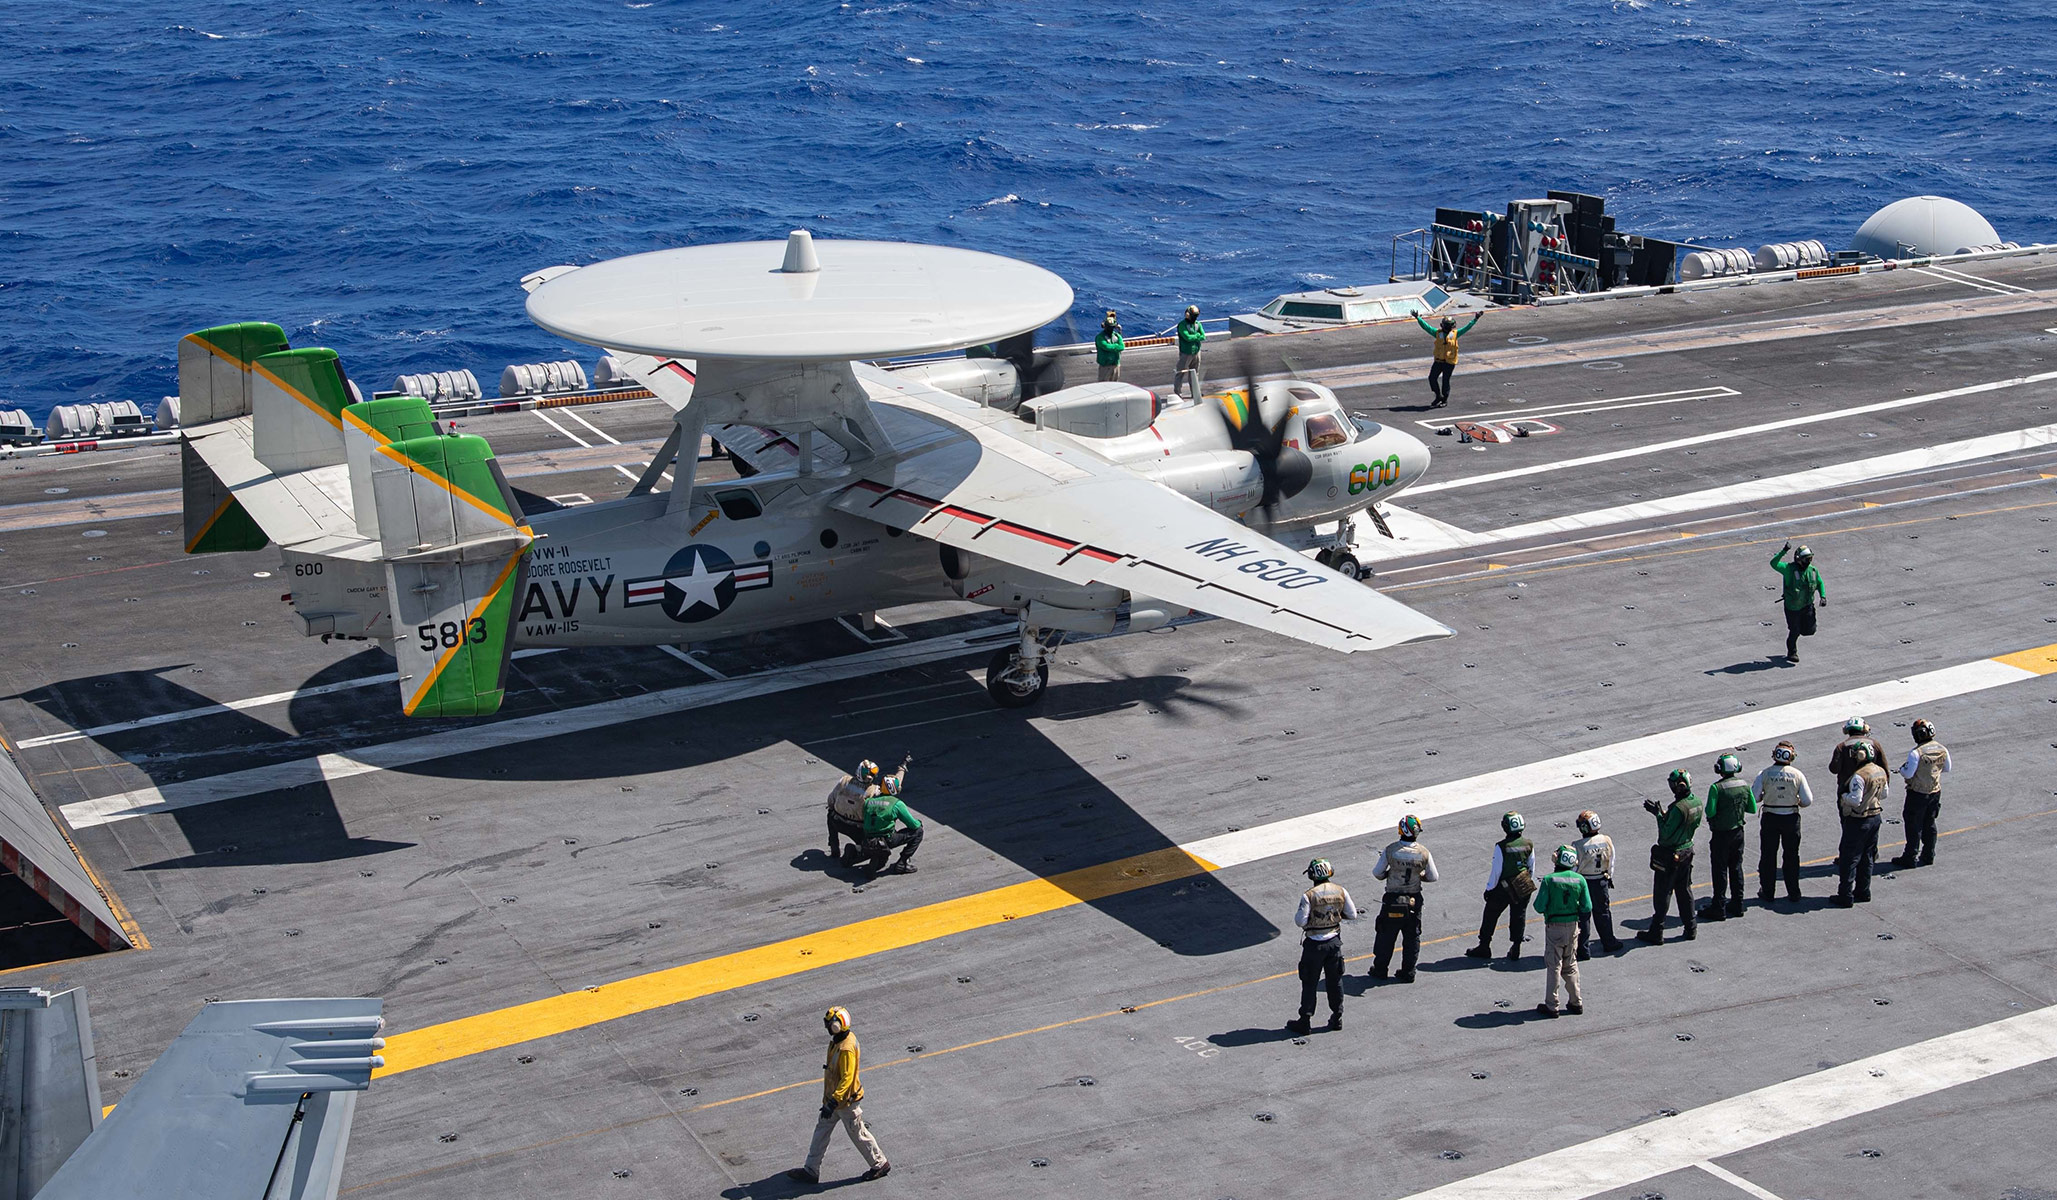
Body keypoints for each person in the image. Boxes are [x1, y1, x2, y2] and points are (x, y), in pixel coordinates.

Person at [787, 1006, 890, 1184]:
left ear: (837, 1025)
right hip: (834, 1100)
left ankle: (880, 1164)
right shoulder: (838, 1041)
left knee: (858, 1134)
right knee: (821, 1131)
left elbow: (847, 1080)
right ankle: (811, 1170)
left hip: (845, 1103)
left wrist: (833, 1102)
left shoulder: (846, 1048)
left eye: (829, 1024)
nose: (827, 1027)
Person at [1288, 858, 1358, 1034]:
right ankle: (1337, 1017)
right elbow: (1352, 914)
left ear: (1312, 875)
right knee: (1335, 981)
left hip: (1314, 946)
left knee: (1309, 983)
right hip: (1334, 943)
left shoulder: (1309, 895)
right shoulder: (1341, 891)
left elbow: (1300, 921)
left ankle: (1305, 1020)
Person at [1636, 769, 1703, 945]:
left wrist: (1658, 814)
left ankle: (1656, 932)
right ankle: (1691, 928)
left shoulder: (1677, 808)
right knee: (1685, 890)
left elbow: (1666, 834)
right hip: (1687, 851)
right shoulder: (1696, 802)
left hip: (1671, 855)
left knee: (1662, 893)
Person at [1369, 815, 1438, 983]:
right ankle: (1408, 972)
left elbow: (1377, 873)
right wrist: (1419, 876)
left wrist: (1388, 875)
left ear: (1400, 830)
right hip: (1413, 900)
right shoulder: (1423, 852)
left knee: (1386, 936)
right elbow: (1433, 876)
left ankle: (1380, 969)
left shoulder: (1391, 850)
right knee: (1412, 937)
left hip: (1393, 899)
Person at [1464, 812, 1535, 961]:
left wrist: (1489, 889)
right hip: (1522, 886)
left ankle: (1484, 945)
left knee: (1490, 914)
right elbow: (1531, 867)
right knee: (1518, 916)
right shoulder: (1529, 844)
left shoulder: (1501, 846)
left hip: (1503, 888)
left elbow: (1496, 871)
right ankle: (1516, 947)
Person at [1533, 845, 1592, 1018]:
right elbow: (1587, 906)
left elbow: (1538, 906)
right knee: (1571, 964)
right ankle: (1576, 1002)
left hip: (1554, 928)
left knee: (1554, 965)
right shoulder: (1580, 880)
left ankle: (1552, 1005)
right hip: (1572, 926)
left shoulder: (1549, 880)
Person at [1752, 741, 1814, 903]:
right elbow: (1807, 800)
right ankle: (1794, 892)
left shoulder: (1764, 773)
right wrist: (1796, 802)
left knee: (1768, 856)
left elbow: (1755, 797)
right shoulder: (1797, 774)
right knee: (1792, 856)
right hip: (1790, 818)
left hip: (1770, 817)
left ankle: (1768, 891)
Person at [1698, 753, 1757, 922]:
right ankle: (1738, 904)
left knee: (1720, 870)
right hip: (1738, 832)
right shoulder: (1744, 785)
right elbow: (1752, 808)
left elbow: (1710, 811)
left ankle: (1719, 907)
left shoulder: (1716, 788)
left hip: (1721, 835)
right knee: (1736, 868)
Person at [1833, 742, 1887, 907]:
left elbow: (1855, 801)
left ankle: (1845, 895)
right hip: (1875, 817)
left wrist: (1844, 798)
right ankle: (1863, 891)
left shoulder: (1859, 776)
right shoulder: (1880, 771)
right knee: (1867, 857)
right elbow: (1884, 794)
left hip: (1858, 820)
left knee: (1850, 857)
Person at [1892, 718, 1951, 868]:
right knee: (1929, 823)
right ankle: (1929, 854)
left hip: (1917, 793)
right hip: (1935, 792)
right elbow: (1947, 768)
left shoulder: (1916, 753)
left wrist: (1902, 769)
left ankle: (1910, 857)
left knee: (1913, 825)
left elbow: (1908, 774)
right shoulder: (1942, 749)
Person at [852, 765, 922, 875]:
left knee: (877, 855)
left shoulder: (868, 801)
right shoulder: (897, 804)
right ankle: (902, 863)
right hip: (886, 840)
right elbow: (913, 825)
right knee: (918, 832)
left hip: (867, 839)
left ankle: (860, 853)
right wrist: (919, 823)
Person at [1572, 810, 1621, 958]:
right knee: (1603, 913)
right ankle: (1609, 942)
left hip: (1584, 882)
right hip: (1601, 881)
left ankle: (1583, 949)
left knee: (1583, 916)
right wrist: (1608, 877)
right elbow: (1611, 862)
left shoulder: (1577, 845)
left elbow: (1574, 867)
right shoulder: (1606, 840)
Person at [1770, 542, 1826, 663]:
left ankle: (1799, 628)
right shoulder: (1789, 569)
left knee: (1809, 631)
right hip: (1793, 608)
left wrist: (1823, 596)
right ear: (1798, 559)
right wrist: (1784, 551)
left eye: (1810, 558)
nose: (1809, 561)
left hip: (1807, 606)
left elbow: (1819, 583)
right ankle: (1792, 652)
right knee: (1794, 631)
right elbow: (1773, 564)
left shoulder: (1813, 571)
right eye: (1806, 559)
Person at [1413, 310, 1480, 408]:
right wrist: (1418, 318)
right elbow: (1426, 327)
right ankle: (1438, 396)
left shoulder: (1455, 334)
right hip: (1438, 361)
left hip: (1449, 362)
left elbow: (1467, 327)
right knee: (1432, 378)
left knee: (1445, 381)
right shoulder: (1437, 333)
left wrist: (1476, 319)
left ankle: (1444, 399)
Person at [825, 760, 878, 859]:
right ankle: (858, 850)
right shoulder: (874, 790)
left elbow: (830, 800)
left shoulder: (844, 781)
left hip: (837, 821)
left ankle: (834, 847)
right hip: (857, 828)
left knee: (830, 814)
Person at [1829, 716, 1889, 798]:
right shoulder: (1875, 744)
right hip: (1872, 790)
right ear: (1865, 729)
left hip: (1848, 791)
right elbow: (1884, 768)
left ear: (1846, 730)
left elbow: (1834, 769)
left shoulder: (1841, 747)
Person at [1173, 305, 1206, 398]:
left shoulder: (1198, 324)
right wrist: (1197, 336)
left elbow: (1203, 336)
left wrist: (1195, 337)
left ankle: (1195, 393)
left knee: (1195, 374)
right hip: (1186, 353)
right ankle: (1177, 394)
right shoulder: (1182, 325)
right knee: (1180, 373)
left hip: (1197, 351)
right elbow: (1187, 337)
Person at [1095, 311, 1124, 382]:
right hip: (1105, 366)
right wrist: (1116, 346)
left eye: (1112, 327)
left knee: (1114, 384)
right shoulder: (1100, 337)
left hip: (1116, 365)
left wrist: (1113, 347)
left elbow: (1122, 347)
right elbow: (1106, 347)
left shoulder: (1117, 336)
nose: (1110, 329)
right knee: (1103, 385)